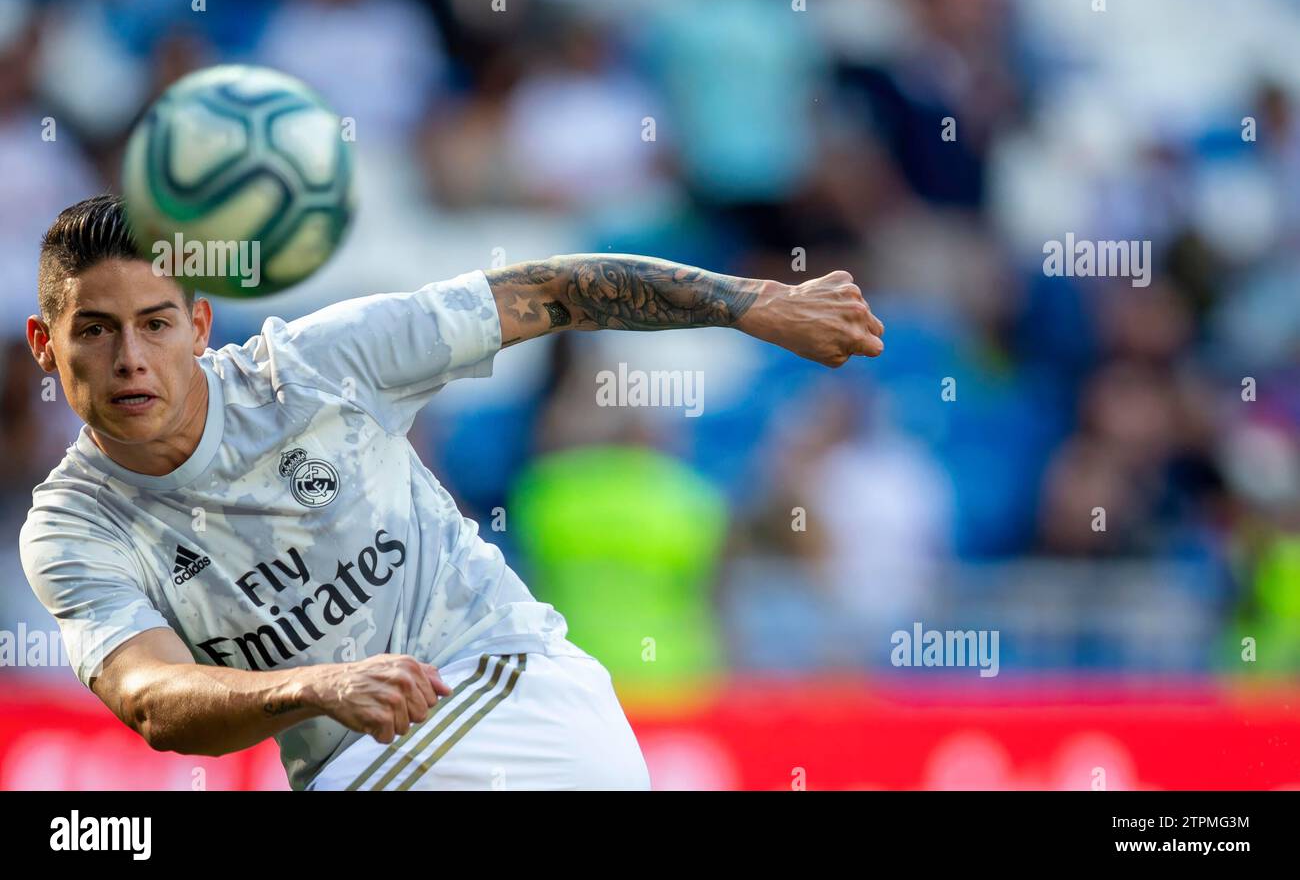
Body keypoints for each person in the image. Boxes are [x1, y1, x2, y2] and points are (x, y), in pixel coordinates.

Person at [19, 195, 884, 791]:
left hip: (499, 679)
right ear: (44, 346)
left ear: (199, 324)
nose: (130, 357)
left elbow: (547, 292)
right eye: (94, 330)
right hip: (349, 763)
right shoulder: (71, 524)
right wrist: (318, 687)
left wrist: (756, 303)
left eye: (156, 323)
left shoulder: (317, 368)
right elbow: (152, 700)